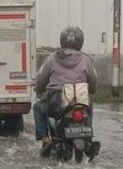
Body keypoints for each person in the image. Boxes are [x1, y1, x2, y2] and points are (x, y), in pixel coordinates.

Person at [33, 26, 98, 156]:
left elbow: (41, 79)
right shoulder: (86, 60)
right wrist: (91, 90)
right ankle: (88, 138)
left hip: (57, 104)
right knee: (89, 106)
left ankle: (45, 139)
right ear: (80, 42)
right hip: (80, 101)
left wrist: (38, 88)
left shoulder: (52, 58)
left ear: (62, 41)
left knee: (37, 107)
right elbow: (94, 81)